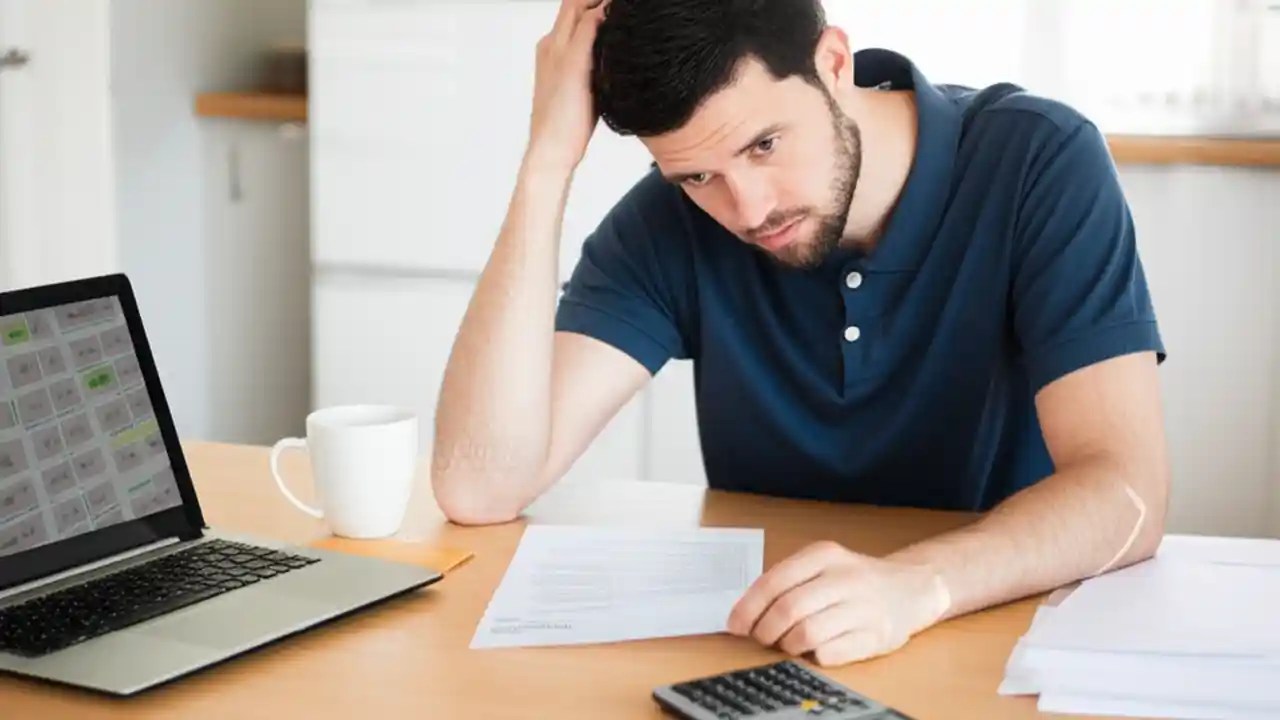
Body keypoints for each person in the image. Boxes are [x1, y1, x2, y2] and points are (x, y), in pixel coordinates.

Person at [431, 0, 1171, 666]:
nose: (748, 210)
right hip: (772, 658)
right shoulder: (674, 219)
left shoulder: (1039, 161)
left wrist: (919, 587)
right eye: (695, 176)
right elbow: (480, 483)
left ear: (834, 63)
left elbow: (1127, 493)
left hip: (997, 638)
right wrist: (546, 163)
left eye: (763, 145)